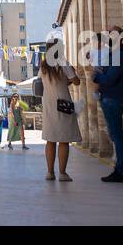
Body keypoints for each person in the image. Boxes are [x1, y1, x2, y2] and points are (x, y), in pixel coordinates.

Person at [92, 26, 123, 183]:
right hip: (109, 97)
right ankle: (119, 168)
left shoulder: (121, 56)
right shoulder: (114, 55)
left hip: (113, 98)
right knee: (114, 135)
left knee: (117, 135)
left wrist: (96, 77)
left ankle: (122, 171)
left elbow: (109, 78)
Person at [39, 38, 81, 181]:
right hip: (63, 103)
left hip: (49, 104)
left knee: (50, 139)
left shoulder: (43, 66)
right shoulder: (63, 63)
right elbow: (77, 81)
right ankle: (62, 173)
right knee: (64, 139)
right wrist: (70, 77)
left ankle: (50, 172)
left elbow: (44, 83)